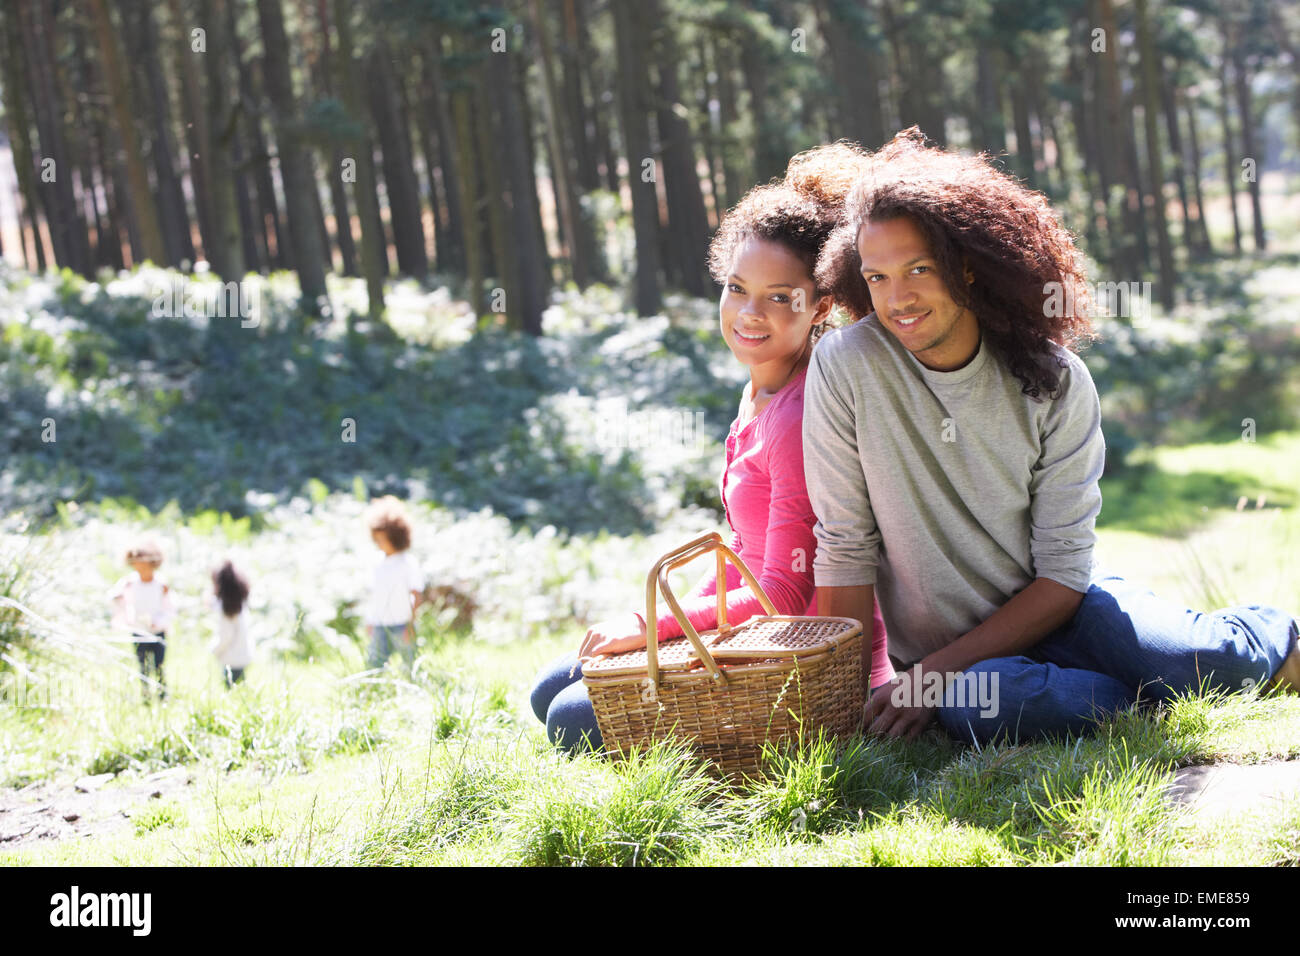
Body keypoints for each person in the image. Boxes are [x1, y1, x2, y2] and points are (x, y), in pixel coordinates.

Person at [805, 127, 1300, 746]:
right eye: (876, 278)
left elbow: (1064, 576)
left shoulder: (1055, 378)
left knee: (1203, 663)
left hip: (1070, 609)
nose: (897, 299)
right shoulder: (847, 364)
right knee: (985, 707)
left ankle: (1258, 638)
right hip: (963, 666)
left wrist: (925, 680)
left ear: (969, 266)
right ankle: (1144, 696)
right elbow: (845, 544)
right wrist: (847, 708)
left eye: (919, 269)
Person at [531, 142, 896, 753]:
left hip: (795, 665)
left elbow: (779, 591)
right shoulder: (758, 394)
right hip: (751, 634)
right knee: (553, 687)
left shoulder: (802, 413)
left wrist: (652, 628)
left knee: (569, 717)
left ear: (821, 306)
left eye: (780, 297)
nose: (749, 313)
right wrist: (657, 624)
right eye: (736, 288)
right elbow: (739, 554)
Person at [108, 536, 175, 701]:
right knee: (143, 665)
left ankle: (162, 695)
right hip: (138, 630)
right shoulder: (129, 583)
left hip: (157, 631)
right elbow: (115, 598)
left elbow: (170, 609)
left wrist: (158, 622)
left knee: (159, 664)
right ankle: (145, 695)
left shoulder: (161, 585)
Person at [363, 496, 426, 670]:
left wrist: (411, 624)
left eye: (383, 539)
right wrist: (370, 620)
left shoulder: (408, 563)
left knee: (410, 666)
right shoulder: (376, 562)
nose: (380, 544)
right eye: (377, 540)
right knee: (374, 666)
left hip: (401, 623)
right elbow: (373, 595)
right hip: (379, 624)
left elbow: (417, 595)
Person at [211, 560, 252, 687]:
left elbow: (225, 636)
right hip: (243, 655)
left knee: (231, 690)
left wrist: (214, 650)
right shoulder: (241, 605)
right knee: (241, 688)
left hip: (230, 658)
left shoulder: (226, 610)